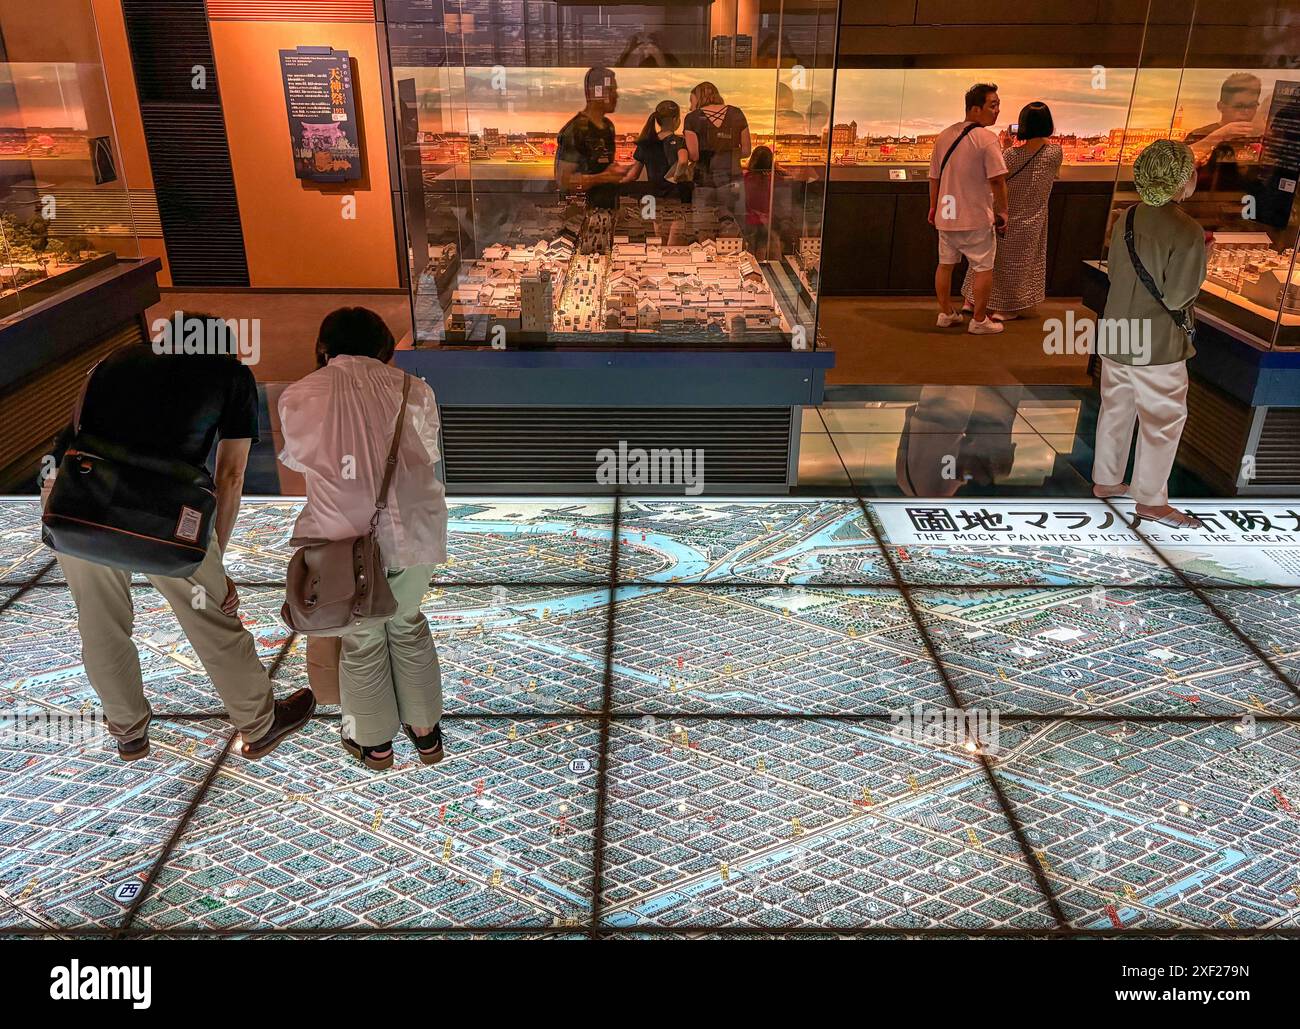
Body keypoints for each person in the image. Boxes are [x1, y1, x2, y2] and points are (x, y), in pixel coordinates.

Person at [44, 315, 315, 761]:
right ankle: (259, 724)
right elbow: (230, 474)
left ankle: (128, 731)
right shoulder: (231, 376)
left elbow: (76, 428)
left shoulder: (113, 360)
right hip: (161, 511)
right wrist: (213, 561)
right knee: (210, 614)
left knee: (99, 619)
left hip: (78, 500)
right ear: (224, 349)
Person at [277, 308, 448, 769]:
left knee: (362, 637)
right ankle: (426, 732)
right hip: (417, 530)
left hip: (344, 540)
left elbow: (299, 461)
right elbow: (427, 451)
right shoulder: (416, 389)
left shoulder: (298, 396)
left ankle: (375, 744)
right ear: (385, 349)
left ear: (323, 347)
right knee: (408, 622)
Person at [1093, 140, 1207, 529]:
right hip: (1156, 341)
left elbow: (1114, 271)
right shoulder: (1187, 230)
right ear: (1181, 179)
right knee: (1162, 419)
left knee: (1116, 407)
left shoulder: (1126, 215)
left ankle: (1106, 479)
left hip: (1115, 330)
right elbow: (1178, 295)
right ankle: (1151, 501)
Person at [961, 101, 1062, 320]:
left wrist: (1006, 146)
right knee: (1018, 263)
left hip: (1002, 215)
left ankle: (972, 299)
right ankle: (1006, 308)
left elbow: (997, 177)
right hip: (1032, 219)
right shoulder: (1055, 153)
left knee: (988, 259)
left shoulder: (1011, 156)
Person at [928, 82, 1009, 335]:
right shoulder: (987, 139)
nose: (997, 111)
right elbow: (997, 179)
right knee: (983, 267)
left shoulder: (944, 136)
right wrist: (1003, 211)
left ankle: (946, 313)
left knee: (945, 264)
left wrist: (933, 207)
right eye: (992, 105)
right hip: (974, 215)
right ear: (975, 109)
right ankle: (979, 320)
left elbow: (934, 178)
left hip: (947, 213)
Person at [554, 67, 627, 210]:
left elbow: (602, 167)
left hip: (608, 212)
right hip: (584, 214)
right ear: (596, 92)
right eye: (611, 90)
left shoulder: (608, 127)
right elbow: (563, 181)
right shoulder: (575, 130)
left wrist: (615, 170)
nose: (616, 96)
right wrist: (604, 177)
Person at [684, 81, 751, 232]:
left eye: (691, 101)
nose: (690, 106)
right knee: (735, 229)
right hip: (732, 180)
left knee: (704, 228)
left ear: (698, 98)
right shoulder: (737, 113)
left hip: (704, 180)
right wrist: (726, 153)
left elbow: (694, 155)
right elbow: (746, 151)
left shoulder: (692, 118)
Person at [1183, 73, 1263, 195]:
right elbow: (1179, 168)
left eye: (1252, 106)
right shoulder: (1200, 134)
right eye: (1239, 106)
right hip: (1200, 202)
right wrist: (1221, 135)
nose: (1246, 112)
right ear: (1221, 106)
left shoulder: (1257, 137)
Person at [622, 99, 689, 199]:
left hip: (653, 196)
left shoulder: (646, 143)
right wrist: (676, 178)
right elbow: (683, 161)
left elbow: (633, 175)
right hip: (675, 196)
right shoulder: (680, 141)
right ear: (675, 120)